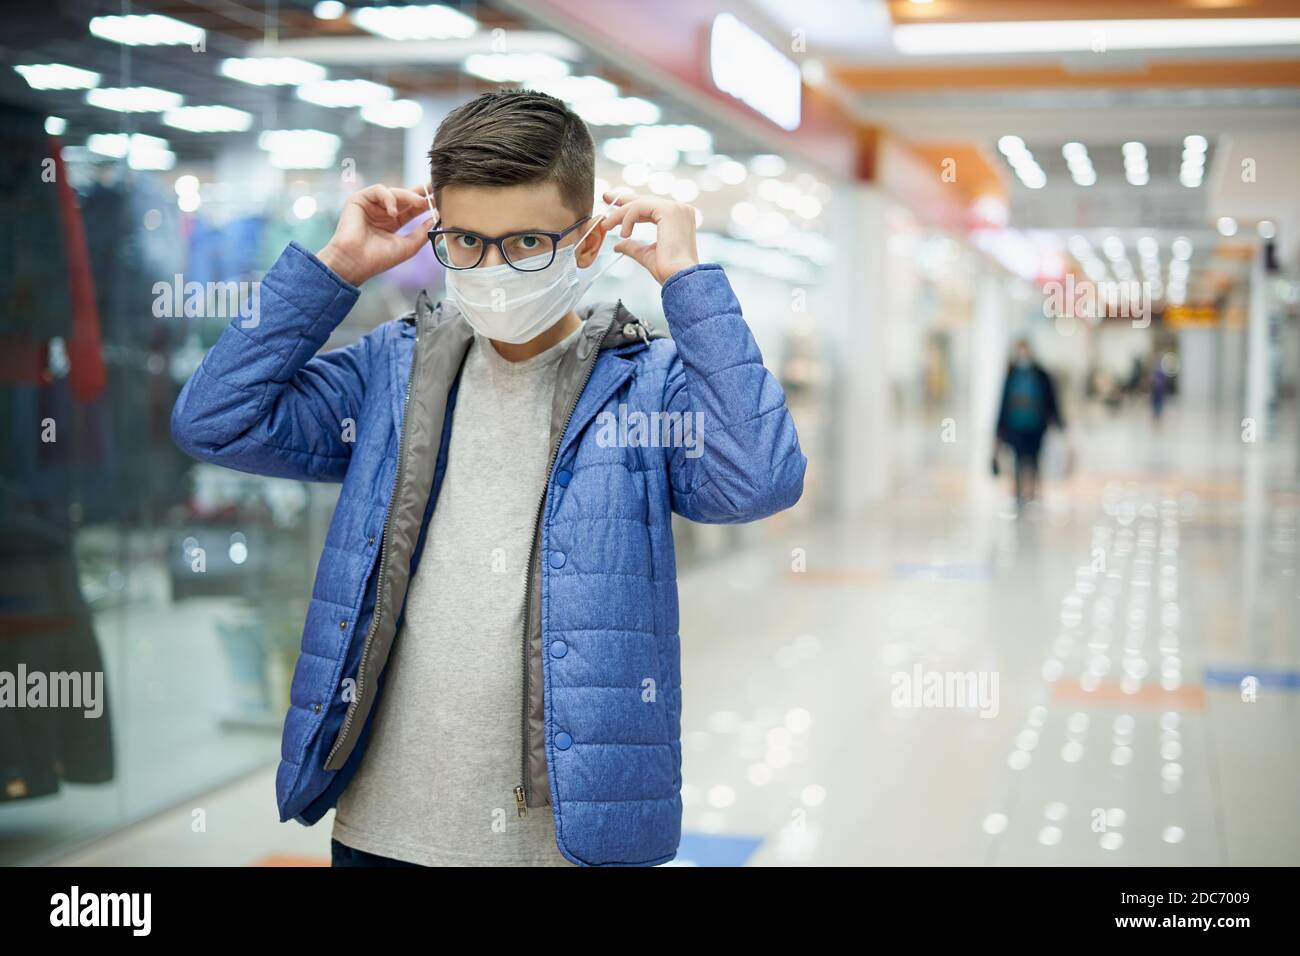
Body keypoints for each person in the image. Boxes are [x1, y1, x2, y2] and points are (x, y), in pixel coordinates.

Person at [169, 90, 806, 867]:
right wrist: (334, 270)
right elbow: (214, 419)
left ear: (590, 237)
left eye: (528, 241)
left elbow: (762, 479)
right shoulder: (392, 372)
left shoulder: (647, 387)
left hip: (562, 844)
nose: (494, 269)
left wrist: (691, 281)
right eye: (466, 240)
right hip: (381, 830)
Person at [995, 338, 1064, 510]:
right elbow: (1003, 404)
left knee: (1034, 460)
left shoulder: (1041, 375)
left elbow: (1051, 400)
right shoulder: (1011, 375)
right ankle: (1018, 494)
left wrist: (1059, 422)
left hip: (1036, 426)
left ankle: (1033, 493)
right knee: (1018, 461)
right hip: (1015, 427)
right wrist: (998, 430)